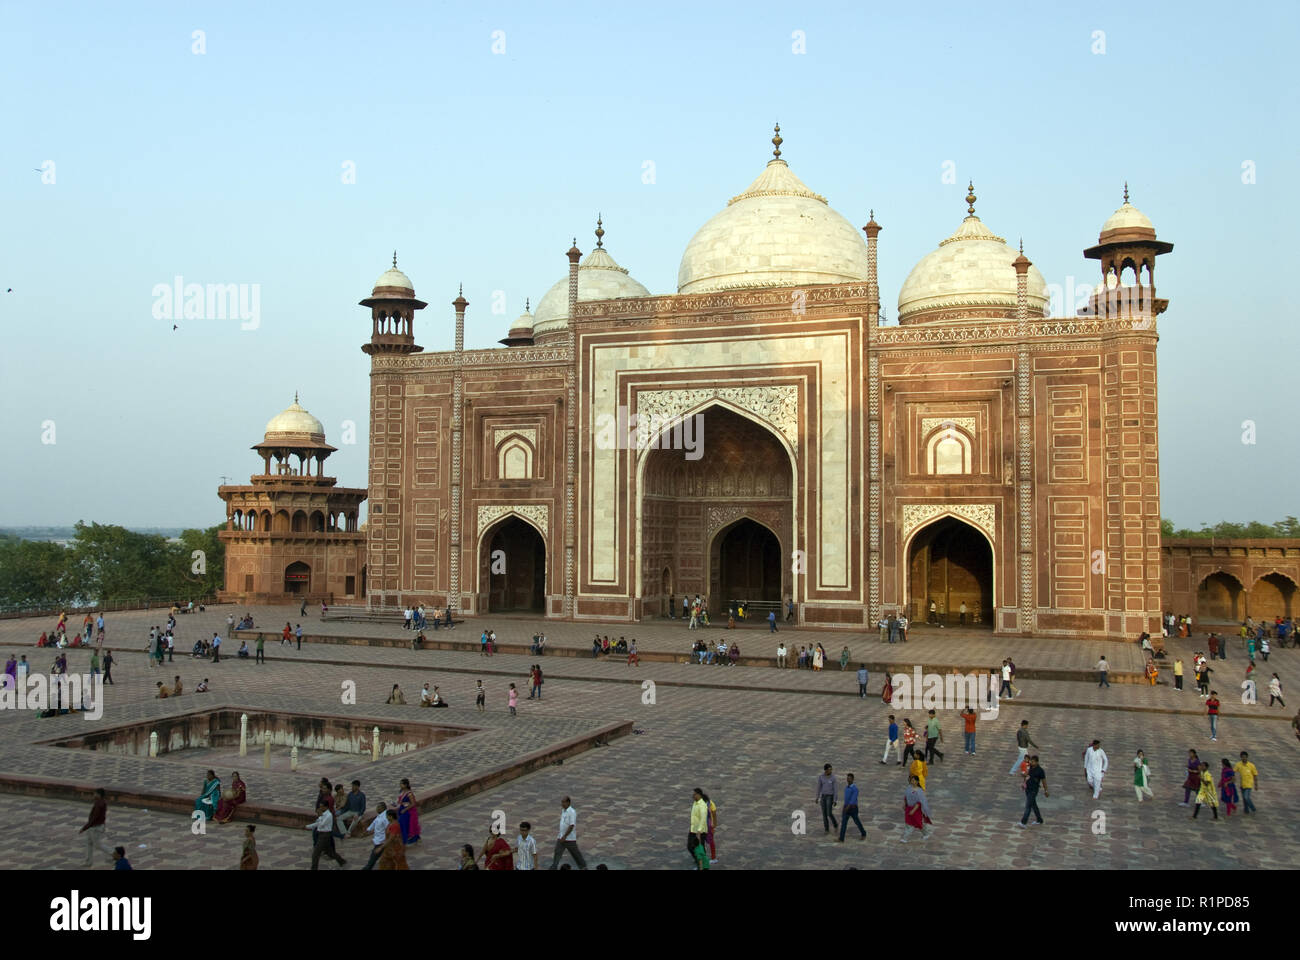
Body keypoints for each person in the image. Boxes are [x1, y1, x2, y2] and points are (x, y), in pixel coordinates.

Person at [79, 788, 113, 866]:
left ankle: (114, 854)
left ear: (98, 795)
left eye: (95, 794)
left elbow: (94, 818)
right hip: (95, 826)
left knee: (98, 845)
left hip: (96, 827)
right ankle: (88, 861)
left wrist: (84, 828)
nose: (94, 795)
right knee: (88, 843)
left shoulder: (99, 804)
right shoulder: (100, 802)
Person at [550, 796, 587, 869]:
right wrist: (561, 836)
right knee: (557, 852)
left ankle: (583, 867)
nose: (562, 804)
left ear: (568, 802)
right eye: (562, 802)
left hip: (569, 838)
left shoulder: (572, 812)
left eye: (564, 802)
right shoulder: (563, 811)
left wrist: (565, 836)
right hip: (561, 837)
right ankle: (554, 866)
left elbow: (571, 825)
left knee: (576, 854)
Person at [306, 804, 347, 869]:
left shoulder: (328, 816)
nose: (320, 808)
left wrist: (320, 816)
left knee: (315, 854)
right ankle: (341, 861)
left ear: (326, 807)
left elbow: (322, 825)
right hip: (322, 836)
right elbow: (316, 824)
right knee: (330, 852)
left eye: (322, 807)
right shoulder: (323, 816)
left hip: (325, 836)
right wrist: (307, 826)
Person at [901, 774, 933, 842]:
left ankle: (905, 838)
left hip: (916, 810)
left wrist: (913, 810)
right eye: (911, 780)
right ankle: (925, 834)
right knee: (909, 823)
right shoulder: (909, 788)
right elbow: (905, 796)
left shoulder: (919, 791)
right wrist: (904, 803)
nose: (912, 782)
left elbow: (919, 802)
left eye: (913, 780)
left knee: (916, 823)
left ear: (917, 781)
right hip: (908, 808)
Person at [1018, 755, 1048, 826]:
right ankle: (1039, 820)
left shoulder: (1040, 771)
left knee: (1028, 806)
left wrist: (1046, 791)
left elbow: (1044, 781)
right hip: (1028, 789)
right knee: (1033, 805)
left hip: (1033, 790)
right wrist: (1023, 779)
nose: (1031, 762)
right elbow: (1027, 775)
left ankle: (1023, 822)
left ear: (1037, 762)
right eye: (1031, 761)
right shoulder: (1030, 767)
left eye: (1033, 761)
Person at [837, 773, 866, 841]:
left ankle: (863, 833)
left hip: (853, 808)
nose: (848, 779)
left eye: (849, 778)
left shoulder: (855, 789)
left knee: (857, 822)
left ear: (852, 779)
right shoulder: (846, 788)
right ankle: (841, 838)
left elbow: (853, 799)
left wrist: (848, 806)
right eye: (847, 778)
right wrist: (845, 806)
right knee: (844, 823)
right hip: (846, 807)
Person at [815, 763, 838, 834]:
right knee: (824, 814)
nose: (830, 771)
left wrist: (835, 800)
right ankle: (826, 829)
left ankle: (835, 824)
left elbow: (835, 789)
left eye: (831, 769)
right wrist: (817, 797)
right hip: (823, 797)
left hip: (830, 797)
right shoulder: (821, 777)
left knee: (829, 813)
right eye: (829, 769)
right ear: (825, 770)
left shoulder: (833, 778)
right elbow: (819, 787)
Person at [397, 778, 420, 844]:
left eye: (401, 784)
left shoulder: (409, 793)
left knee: (405, 824)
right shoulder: (401, 792)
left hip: (408, 811)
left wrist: (405, 809)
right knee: (402, 824)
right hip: (401, 809)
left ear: (406, 785)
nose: (400, 785)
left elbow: (413, 803)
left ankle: (409, 838)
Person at [689, 788, 709, 864]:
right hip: (693, 828)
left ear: (699, 795)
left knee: (700, 848)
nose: (693, 796)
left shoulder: (702, 806)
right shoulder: (695, 802)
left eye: (694, 795)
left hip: (700, 831)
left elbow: (703, 819)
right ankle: (698, 860)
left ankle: (703, 863)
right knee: (690, 846)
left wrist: (699, 831)